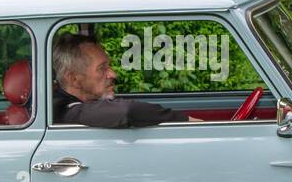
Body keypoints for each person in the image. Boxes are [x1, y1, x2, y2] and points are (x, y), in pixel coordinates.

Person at [52, 32, 197, 126]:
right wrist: (187, 122)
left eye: (109, 66)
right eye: (102, 68)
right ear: (73, 79)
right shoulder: (64, 111)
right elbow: (127, 111)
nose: (113, 74)